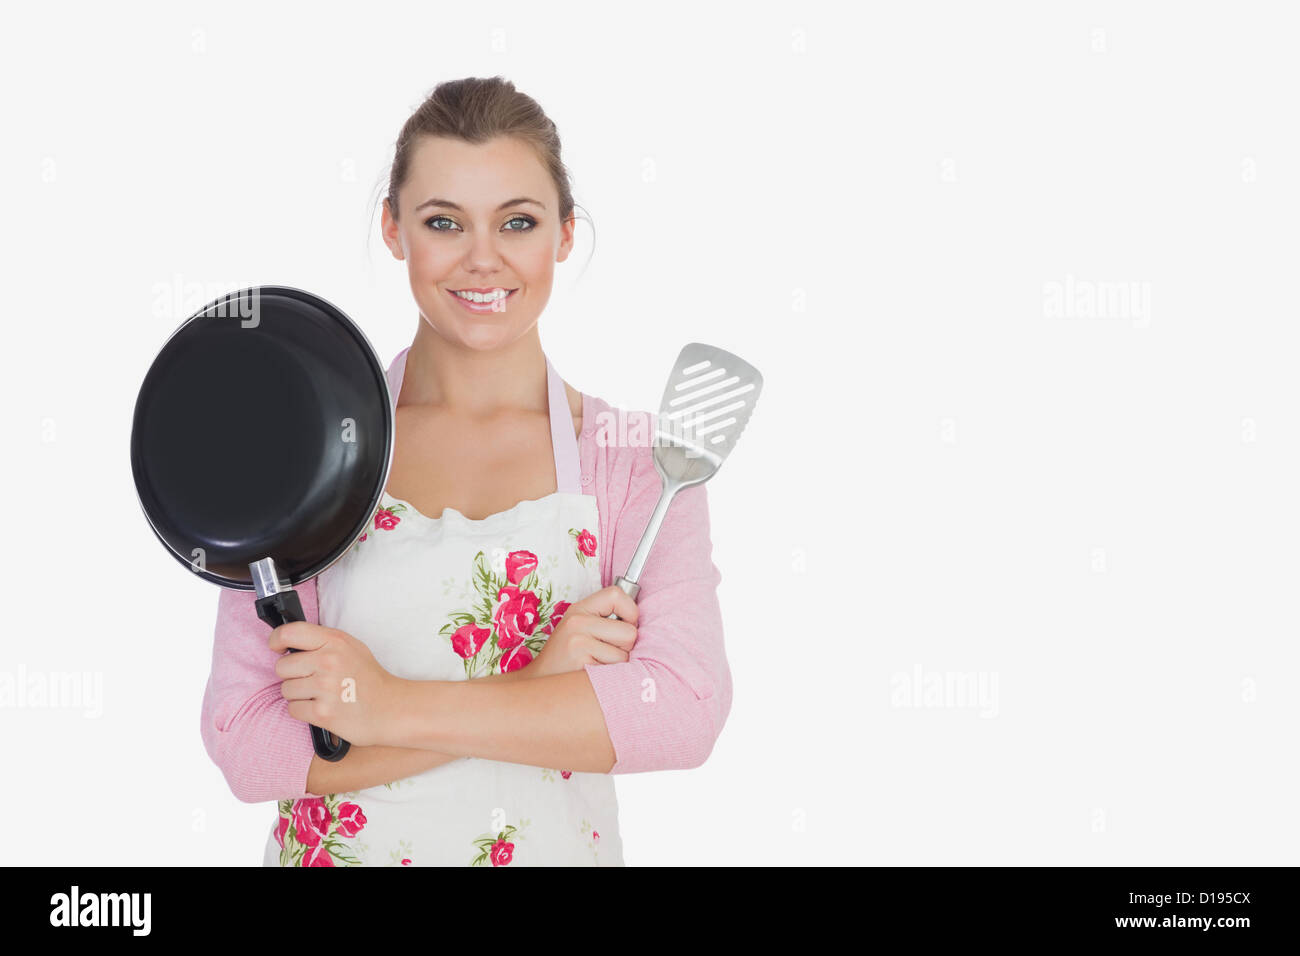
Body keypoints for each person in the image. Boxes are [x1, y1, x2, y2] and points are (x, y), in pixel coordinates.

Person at [199, 76, 732, 866]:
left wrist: (383, 708)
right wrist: (540, 688)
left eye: (518, 221)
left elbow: (682, 715)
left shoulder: (636, 459)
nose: (484, 260)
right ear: (393, 230)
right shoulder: (307, 456)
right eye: (443, 222)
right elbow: (247, 747)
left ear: (564, 234)